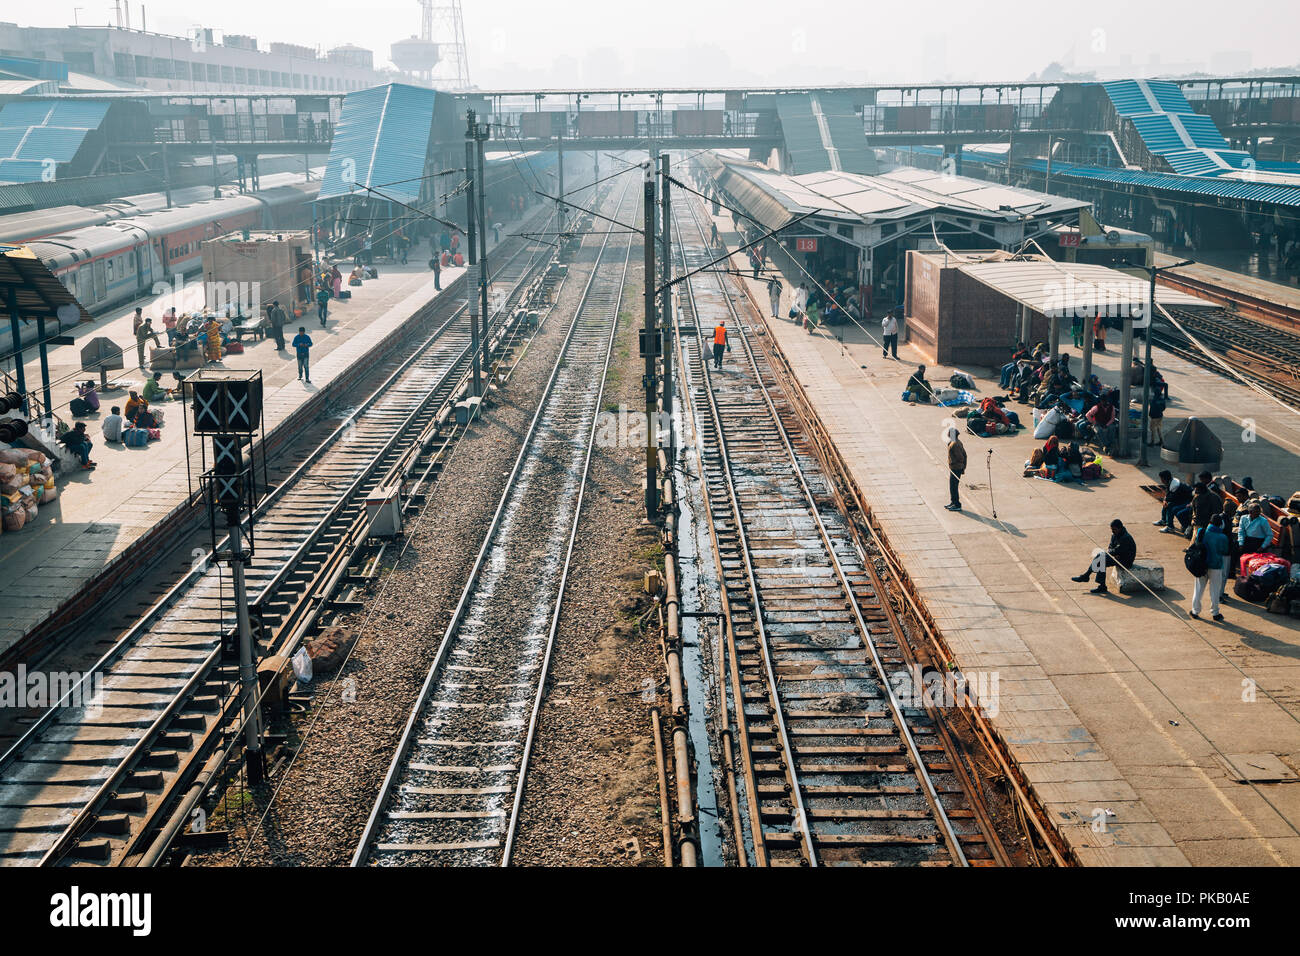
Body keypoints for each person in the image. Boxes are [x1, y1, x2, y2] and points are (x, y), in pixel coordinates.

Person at [1071, 518, 1136, 594]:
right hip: (1117, 557)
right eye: (1112, 529)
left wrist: (1114, 553)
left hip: (1125, 561)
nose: (1112, 531)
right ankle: (1101, 585)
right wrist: (1113, 553)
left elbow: (1118, 551)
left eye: (1114, 529)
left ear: (1120, 528)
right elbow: (1111, 548)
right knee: (1101, 560)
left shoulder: (1126, 538)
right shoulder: (1114, 535)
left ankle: (1086, 576)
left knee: (1101, 557)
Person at [1190, 515, 1229, 622]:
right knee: (1215, 591)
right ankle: (1215, 613)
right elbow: (1225, 551)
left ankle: (1195, 611)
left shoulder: (1201, 532)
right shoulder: (1223, 537)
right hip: (1216, 566)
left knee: (1198, 589)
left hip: (1202, 565)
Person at [945, 429, 967, 512]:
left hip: (956, 468)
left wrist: (955, 463)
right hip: (954, 467)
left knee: (954, 487)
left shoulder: (955, 444)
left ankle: (957, 504)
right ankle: (953, 502)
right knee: (952, 486)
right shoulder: (955, 442)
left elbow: (961, 457)